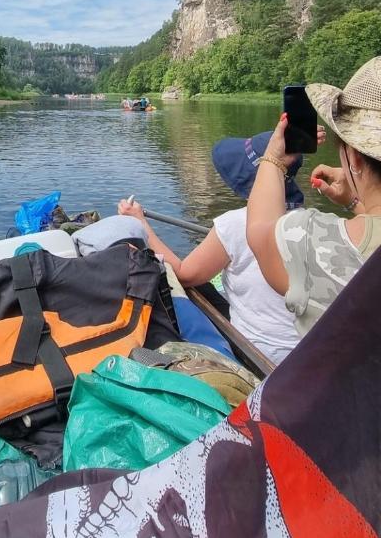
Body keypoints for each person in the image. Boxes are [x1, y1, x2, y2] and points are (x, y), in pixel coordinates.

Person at [118, 127, 324, 365]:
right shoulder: (316, 221)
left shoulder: (235, 224)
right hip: (306, 354)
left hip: (259, 356)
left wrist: (140, 223)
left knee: (193, 286)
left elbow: (183, 274)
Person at [247, 57, 381, 335]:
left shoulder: (314, 241)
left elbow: (260, 233)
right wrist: (357, 203)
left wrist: (274, 158)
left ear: (354, 157)